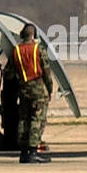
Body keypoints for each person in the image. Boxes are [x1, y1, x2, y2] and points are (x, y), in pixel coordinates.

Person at [6, 24, 54, 164]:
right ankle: (33, 151)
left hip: (23, 89)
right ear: (34, 35)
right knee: (37, 119)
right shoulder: (38, 49)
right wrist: (49, 88)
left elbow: (8, 73)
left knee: (23, 119)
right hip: (38, 89)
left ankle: (23, 152)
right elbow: (46, 71)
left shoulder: (16, 51)